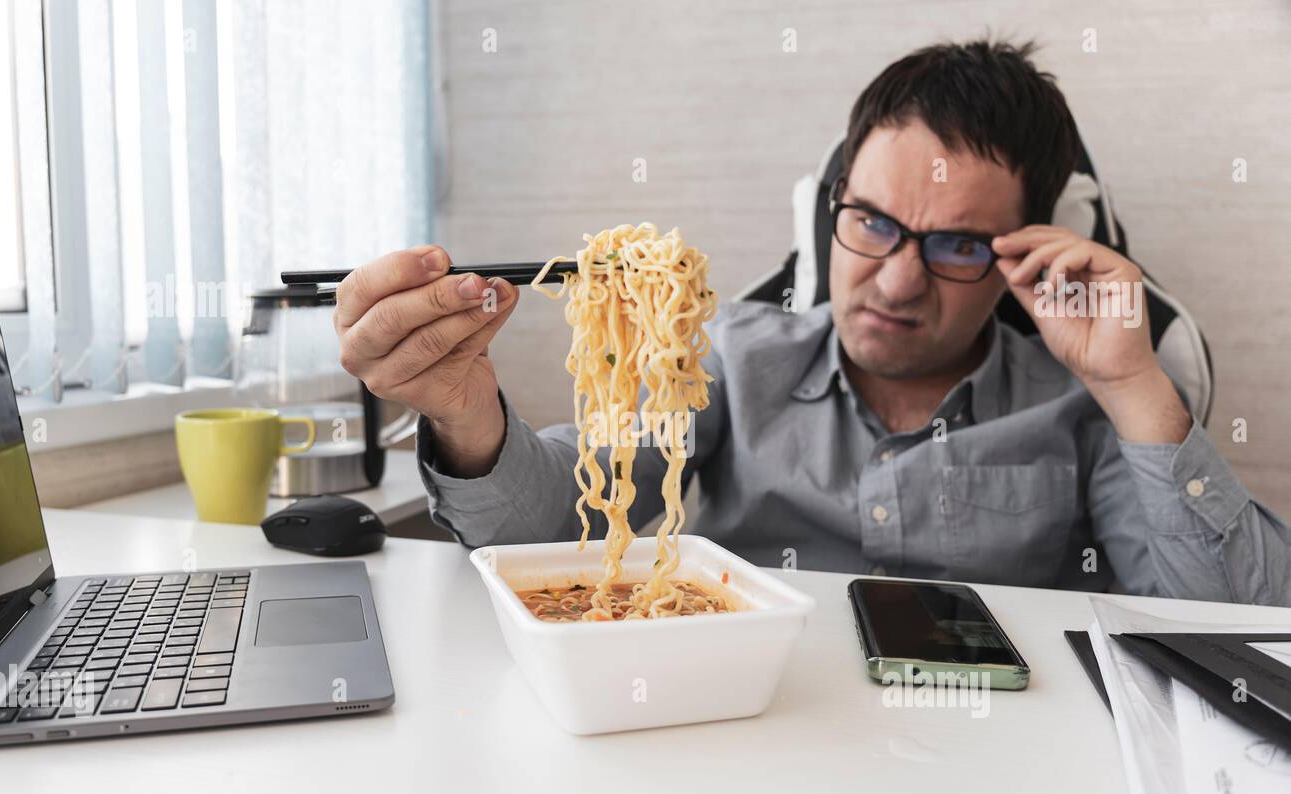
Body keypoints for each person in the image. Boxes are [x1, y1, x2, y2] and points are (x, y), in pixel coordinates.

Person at [332, 39, 1291, 603]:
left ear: (1024, 254)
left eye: (957, 245)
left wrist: (1133, 386)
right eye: (872, 222)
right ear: (833, 206)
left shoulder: (1084, 411)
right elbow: (556, 530)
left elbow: (1226, 624)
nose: (899, 281)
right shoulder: (727, 359)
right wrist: (463, 407)